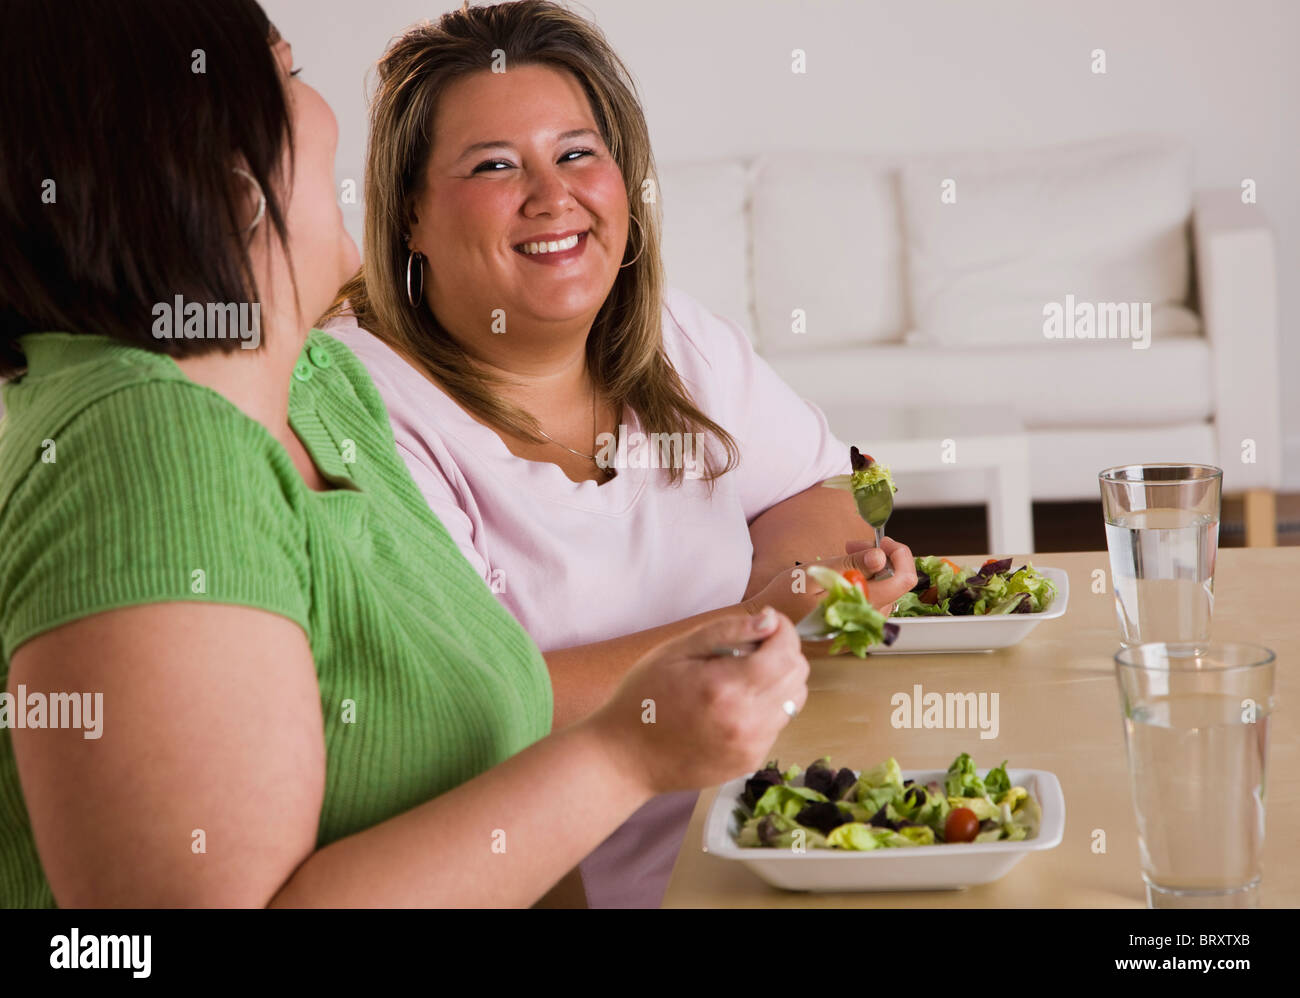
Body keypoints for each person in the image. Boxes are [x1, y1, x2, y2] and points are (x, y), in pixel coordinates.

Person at [0, 0, 808, 908]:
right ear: (219, 174)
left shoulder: (317, 386)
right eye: (290, 75)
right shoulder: (144, 450)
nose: (331, 115)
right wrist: (627, 752)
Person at [321, 0, 917, 907]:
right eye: (493, 165)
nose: (552, 195)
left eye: (576, 153)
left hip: (768, 838)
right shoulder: (362, 400)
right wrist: (760, 616)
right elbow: (472, 703)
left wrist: (816, 584)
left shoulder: (669, 335)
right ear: (407, 215)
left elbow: (816, 484)